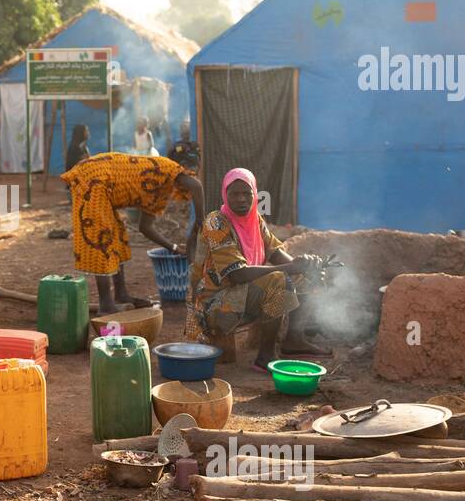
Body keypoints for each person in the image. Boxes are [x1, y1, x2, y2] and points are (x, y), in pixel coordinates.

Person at [185, 168, 332, 369]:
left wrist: (305, 267)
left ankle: (294, 341)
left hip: (239, 294)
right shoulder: (215, 223)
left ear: (255, 194)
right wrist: (292, 267)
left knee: (302, 276)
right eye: (234, 194)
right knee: (278, 280)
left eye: (247, 193)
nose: (241, 199)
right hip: (213, 304)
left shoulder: (255, 219)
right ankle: (265, 357)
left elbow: (276, 252)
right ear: (225, 195)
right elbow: (238, 275)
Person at [61, 152, 204, 315]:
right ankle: (106, 305)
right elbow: (196, 186)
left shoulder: (162, 189)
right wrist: (200, 222)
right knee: (101, 240)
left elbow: (145, 227)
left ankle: (121, 296)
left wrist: (173, 247)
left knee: (118, 236)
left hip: (102, 182)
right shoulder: (169, 169)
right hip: (93, 177)